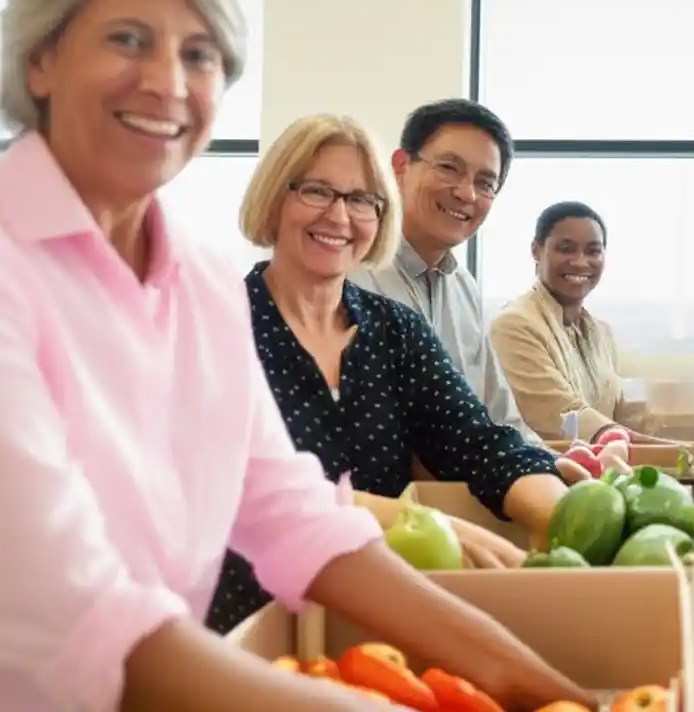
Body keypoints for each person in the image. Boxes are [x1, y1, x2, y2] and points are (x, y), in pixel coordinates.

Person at [0, 0, 591, 709]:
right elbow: (76, 614)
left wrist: (560, 693)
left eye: (200, 55)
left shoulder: (196, 280)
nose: (169, 81)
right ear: (40, 60)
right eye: (127, 40)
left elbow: (294, 515)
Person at [206, 114, 589, 635]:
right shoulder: (217, 324)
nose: (341, 216)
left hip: (368, 620)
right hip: (245, 622)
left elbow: (480, 443)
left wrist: (568, 520)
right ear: (275, 197)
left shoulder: (395, 332)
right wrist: (425, 522)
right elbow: (231, 483)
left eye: (363, 200)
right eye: (318, 191)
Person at [347, 99, 542, 443]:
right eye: (449, 167)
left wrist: (565, 467)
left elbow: (501, 421)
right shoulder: (349, 273)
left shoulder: (463, 288)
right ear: (400, 166)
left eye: (485, 183)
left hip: (462, 491)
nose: (466, 193)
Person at [489, 201, 657, 443]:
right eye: (565, 248)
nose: (580, 262)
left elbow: (622, 414)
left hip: (604, 471)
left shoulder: (602, 333)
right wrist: (682, 451)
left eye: (593, 251)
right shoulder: (513, 325)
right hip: (546, 474)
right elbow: (565, 414)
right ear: (536, 250)